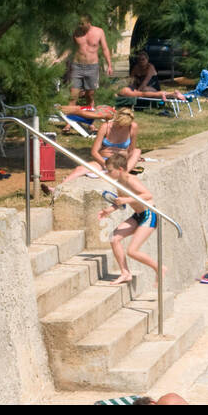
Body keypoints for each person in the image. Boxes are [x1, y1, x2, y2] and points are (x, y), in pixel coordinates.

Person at [97, 154, 159, 285]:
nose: (108, 173)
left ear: (119, 169)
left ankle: (158, 268)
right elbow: (122, 203)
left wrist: (127, 199)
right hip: (138, 216)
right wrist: (108, 210)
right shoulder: (119, 183)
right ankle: (125, 273)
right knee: (114, 238)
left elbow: (147, 195)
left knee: (132, 251)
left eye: (110, 171)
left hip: (149, 215)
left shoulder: (131, 179)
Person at [64, 108, 140, 182]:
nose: (121, 127)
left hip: (121, 161)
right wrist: (106, 164)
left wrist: (127, 162)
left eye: (124, 125)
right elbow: (94, 152)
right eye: (119, 124)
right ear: (116, 119)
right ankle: (59, 187)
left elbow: (131, 150)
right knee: (80, 169)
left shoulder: (132, 127)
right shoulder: (105, 127)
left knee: (137, 151)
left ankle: (124, 172)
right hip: (104, 160)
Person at [68, 14, 112, 107]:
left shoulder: (99, 32)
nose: (80, 26)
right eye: (79, 23)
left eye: (82, 23)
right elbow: (70, 48)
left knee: (90, 95)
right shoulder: (76, 32)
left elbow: (105, 49)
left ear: (88, 23)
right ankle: (69, 120)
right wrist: (59, 59)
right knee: (73, 95)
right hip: (77, 67)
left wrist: (109, 65)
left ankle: (89, 118)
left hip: (92, 67)